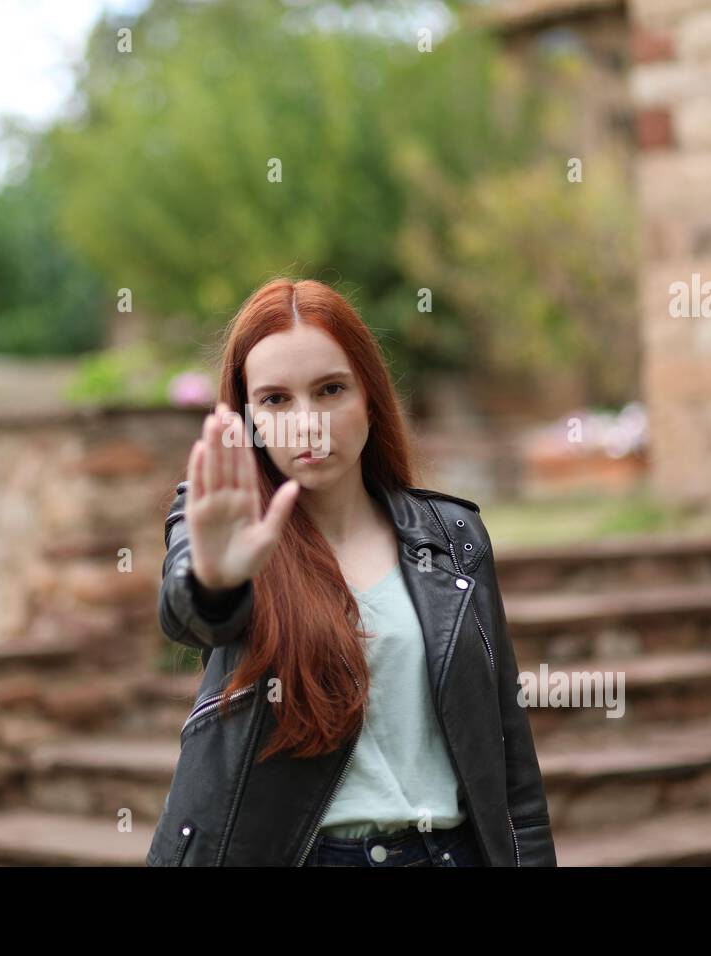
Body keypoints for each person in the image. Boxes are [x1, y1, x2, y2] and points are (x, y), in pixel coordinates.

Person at [144, 277, 556, 867]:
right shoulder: (222, 525)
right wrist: (215, 582)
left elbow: (511, 759)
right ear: (248, 418)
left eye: (330, 389)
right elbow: (191, 615)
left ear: (370, 396)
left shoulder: (453, 537)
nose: (306, 423)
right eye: (276, 400)